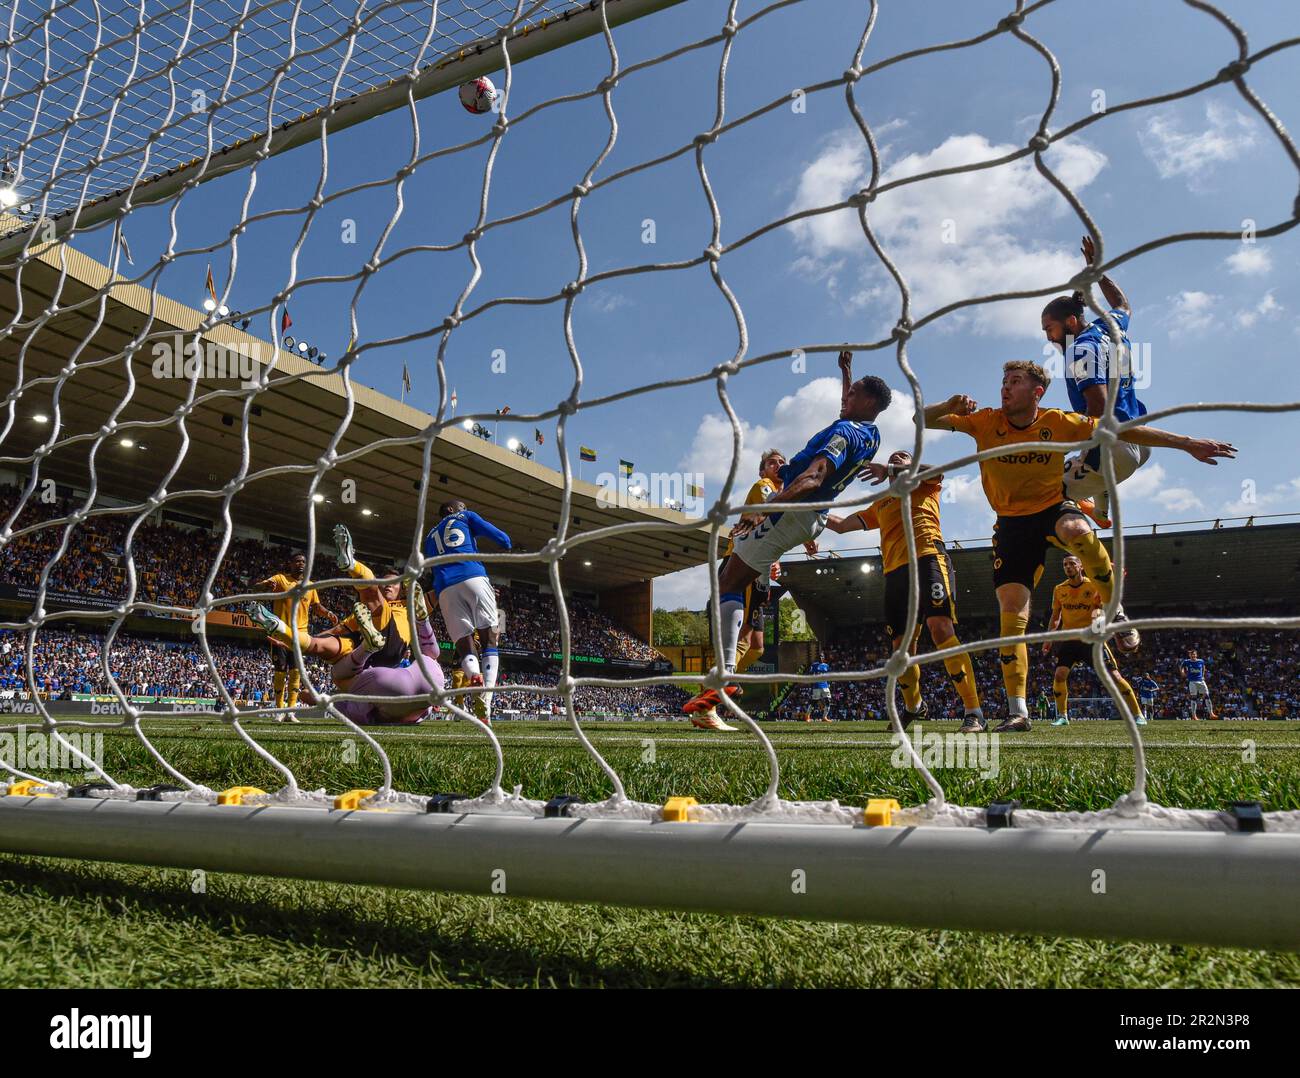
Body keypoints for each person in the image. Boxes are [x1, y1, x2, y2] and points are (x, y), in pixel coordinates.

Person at [925, 360, 1234, 730]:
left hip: (1052, 506)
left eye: (1015, 381)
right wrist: (947, 406)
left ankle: (1114, 608)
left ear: (1037, 391)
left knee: (1077, 530)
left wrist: (1187, 444)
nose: (1005, 388)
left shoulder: (1060, 422)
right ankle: (1018, 712)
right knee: (1011, 615)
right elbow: (920, 421)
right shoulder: (985, 421)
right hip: (1010, 525)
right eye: (1003, 381)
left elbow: (1124, 431)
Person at [683, 351, 892, 722]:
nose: (845, 396)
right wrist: (847, 372)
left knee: (727, 580)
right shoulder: (871, 434)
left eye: (853, 392)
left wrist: (770, 506)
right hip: (811, 515)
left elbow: (813, 477)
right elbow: (851, 410)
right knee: (738, 586)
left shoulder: (843, 434)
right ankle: (715, 693)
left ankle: (723, 676)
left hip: (795, 508)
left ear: (868, 402)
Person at [824, 449, 985, 731]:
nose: (897, 458)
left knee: (941, 628)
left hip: (928, 557)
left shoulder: (924, 483)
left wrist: (890, 469)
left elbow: (937, 468)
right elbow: (839, 526)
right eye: (894, 457)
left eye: (903, 457)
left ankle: (974, 712)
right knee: (900, 651)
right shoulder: (880, 503)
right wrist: (809, 508)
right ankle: (914, 707)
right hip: (895, 573)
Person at [1041, 235, 1148, 530]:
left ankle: (1093, 566)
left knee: (1042, 493)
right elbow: (1123, 304)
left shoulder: (1080, 349)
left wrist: (1059, 435)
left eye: (1049, 328)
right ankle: (1100, 511)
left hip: (1115, 448)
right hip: (1141, 441)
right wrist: (1098, 272)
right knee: (1087, 463)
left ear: (1071, 323)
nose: (1047, 336)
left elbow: (1098, 407)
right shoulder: (1109, 325)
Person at [422, 500, 511, 721]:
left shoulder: (429, 537)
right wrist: (505, 545)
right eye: (462, 505)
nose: (465, 507)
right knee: (490, 639)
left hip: (444, 588)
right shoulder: (466, 516)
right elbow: (503, 539)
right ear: (451, 510)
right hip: (473, 576)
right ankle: (487, 700)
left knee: (464, 645)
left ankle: (474, 677)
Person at [1041, 554, 1146, 727]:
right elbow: (1055, 616)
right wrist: (1049, 638)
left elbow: (1102, 607)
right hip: (1069, 640)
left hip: (1092, 641)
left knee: (1114, 676)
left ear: (1080, 566)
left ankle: (1137, 714)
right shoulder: (1059, 589)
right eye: (1065, 564)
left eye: (1072, 564)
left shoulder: (1094, 585)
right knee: (1060, 675)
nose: (1068, 567)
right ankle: (1062, 716)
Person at [249, 551, 337, 721]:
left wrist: (328, 614)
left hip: (300, 636)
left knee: (296, 672)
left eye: (303, 561)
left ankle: (291, 711)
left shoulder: (310, 586)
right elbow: (258, 587)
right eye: (297, 561)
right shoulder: (281, 579)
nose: (301, 564)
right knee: (280, 671)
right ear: (290, 564)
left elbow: (317, 607)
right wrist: (264, 587)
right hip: (281, 634)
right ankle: (279, 710)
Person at [1181, 648, 1218, 720]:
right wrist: (1182, 672)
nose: (1193, 656)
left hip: (1201, 681)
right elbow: (1181, 667)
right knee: (1194, 697)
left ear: (1196, 655)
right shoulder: (1186, 662)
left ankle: (1211, 714)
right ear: (1189, 655)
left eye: (1194, 654)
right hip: (1192, 682)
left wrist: (1203, 675)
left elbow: (1204, 668)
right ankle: (1194, 716)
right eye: (1191, 654)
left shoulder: (1201, 661)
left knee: (1207, 695)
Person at [808, 653, 832, 723]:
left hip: (825, 686)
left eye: (821, 656)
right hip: (817, 686)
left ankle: (824, 717)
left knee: (828, 701)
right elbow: (810, 674)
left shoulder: (826, 666)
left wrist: (829, 683)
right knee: (814, 702)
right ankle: (807, 716)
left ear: (823, 658)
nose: (820, 658)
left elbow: (829, 675)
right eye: (819, 656)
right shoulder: (814, 665)